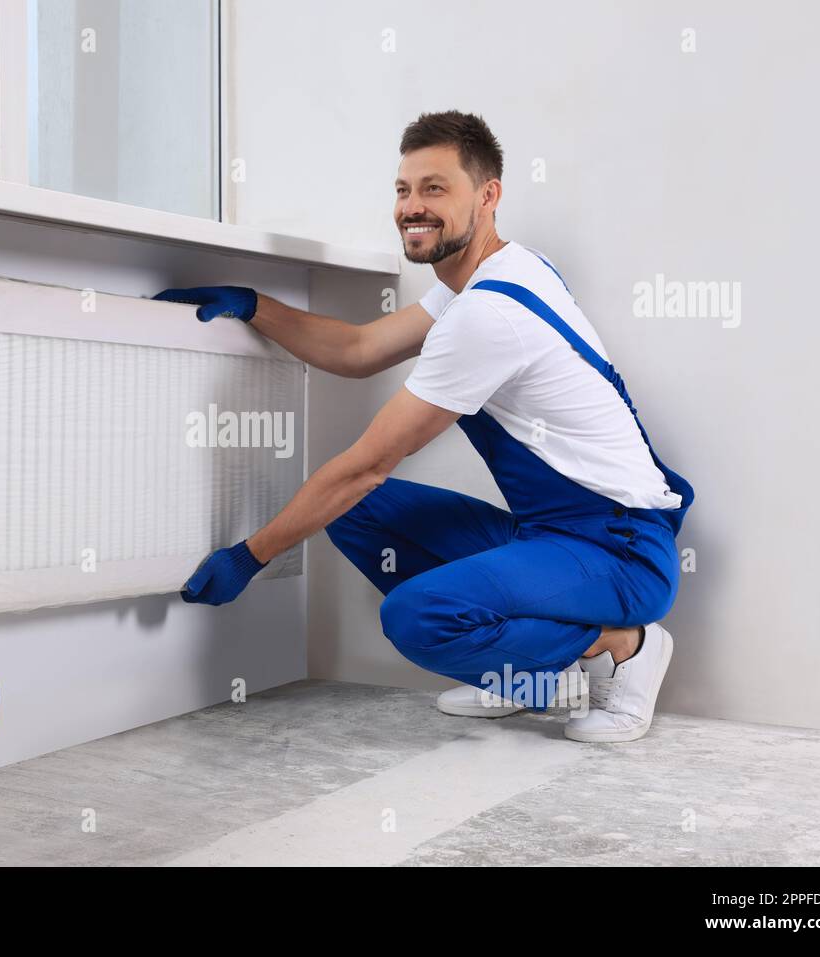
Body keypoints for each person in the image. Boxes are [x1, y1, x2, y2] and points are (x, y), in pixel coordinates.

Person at [156, 110, 694, 744]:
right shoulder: (496, 275)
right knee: (358, 511)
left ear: (487, 195)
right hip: (553, 537)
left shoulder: (488, 315)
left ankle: (622, 648)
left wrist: (250, 556)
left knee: (415, 616)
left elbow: (365, 465)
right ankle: (515, 672)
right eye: (404, 189)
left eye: (435, 188)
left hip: (621, 554)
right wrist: (255, 305)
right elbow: (359, 350)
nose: (413, 206)